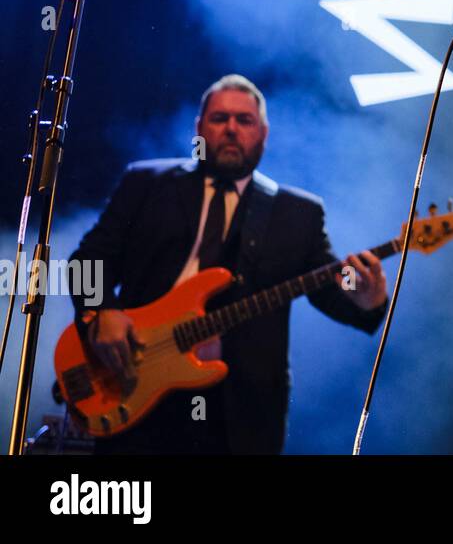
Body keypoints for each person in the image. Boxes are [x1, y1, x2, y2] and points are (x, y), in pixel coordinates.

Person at [69, 74, 389, 454]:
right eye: (220, 119)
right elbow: (86, 263)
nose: (232, 129)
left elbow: (331, 288)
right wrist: (100, 312)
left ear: (264, 133)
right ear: (199, 128)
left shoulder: (298, 213)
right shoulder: (145, 184)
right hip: (134, 388)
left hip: (240, 415)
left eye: (245, 120)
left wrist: (367, 298)